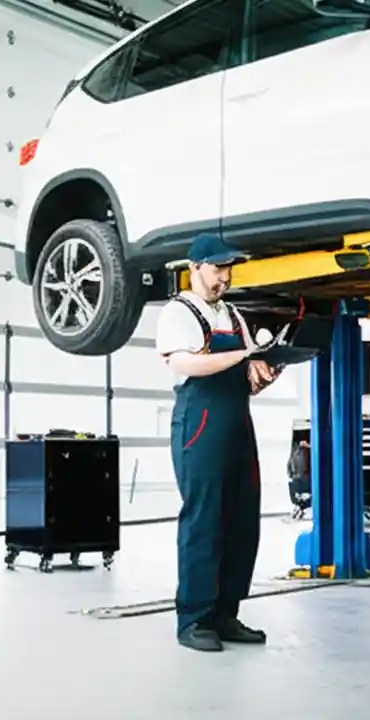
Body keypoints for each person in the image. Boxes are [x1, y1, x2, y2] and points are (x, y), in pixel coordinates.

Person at [155, 232, 281, 653]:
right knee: (204, 519)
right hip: (201, 420)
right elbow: (184, 362)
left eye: (229, 269)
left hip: (237, 420)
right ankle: (194, 619)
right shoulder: (179, 311)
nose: (224, 277)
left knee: (242, 518)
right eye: (217, 268)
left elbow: (246, 375)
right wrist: (243, 356)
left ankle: (226, 613)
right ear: (194, 268)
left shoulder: (233, 313)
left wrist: (264, 371)